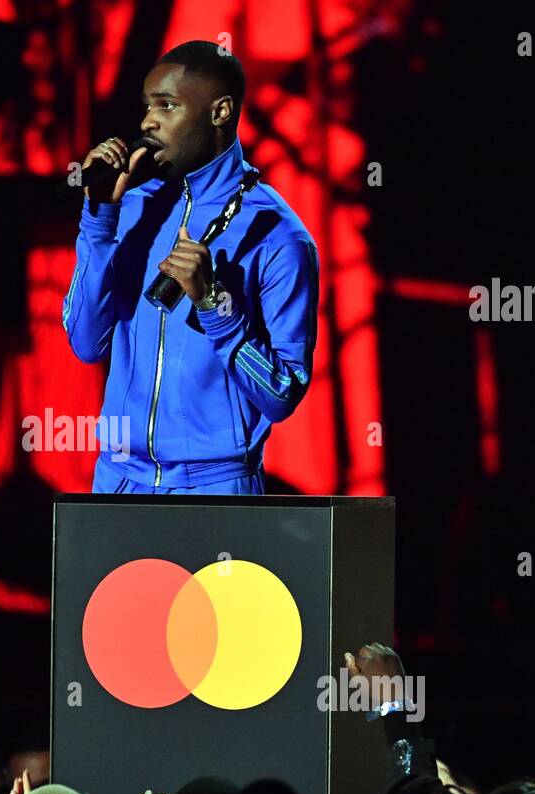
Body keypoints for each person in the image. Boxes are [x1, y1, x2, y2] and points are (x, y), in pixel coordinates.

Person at [64, 40, 318, 494]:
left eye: (167, 105)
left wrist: (214, 304)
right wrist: (98, 221)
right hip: (119, 483)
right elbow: (86, 343)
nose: (147, 122)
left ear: (220, 112)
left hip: (216, 490)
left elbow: (282, 394)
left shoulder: (279, 237)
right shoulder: (130, 208)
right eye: (147, 105)